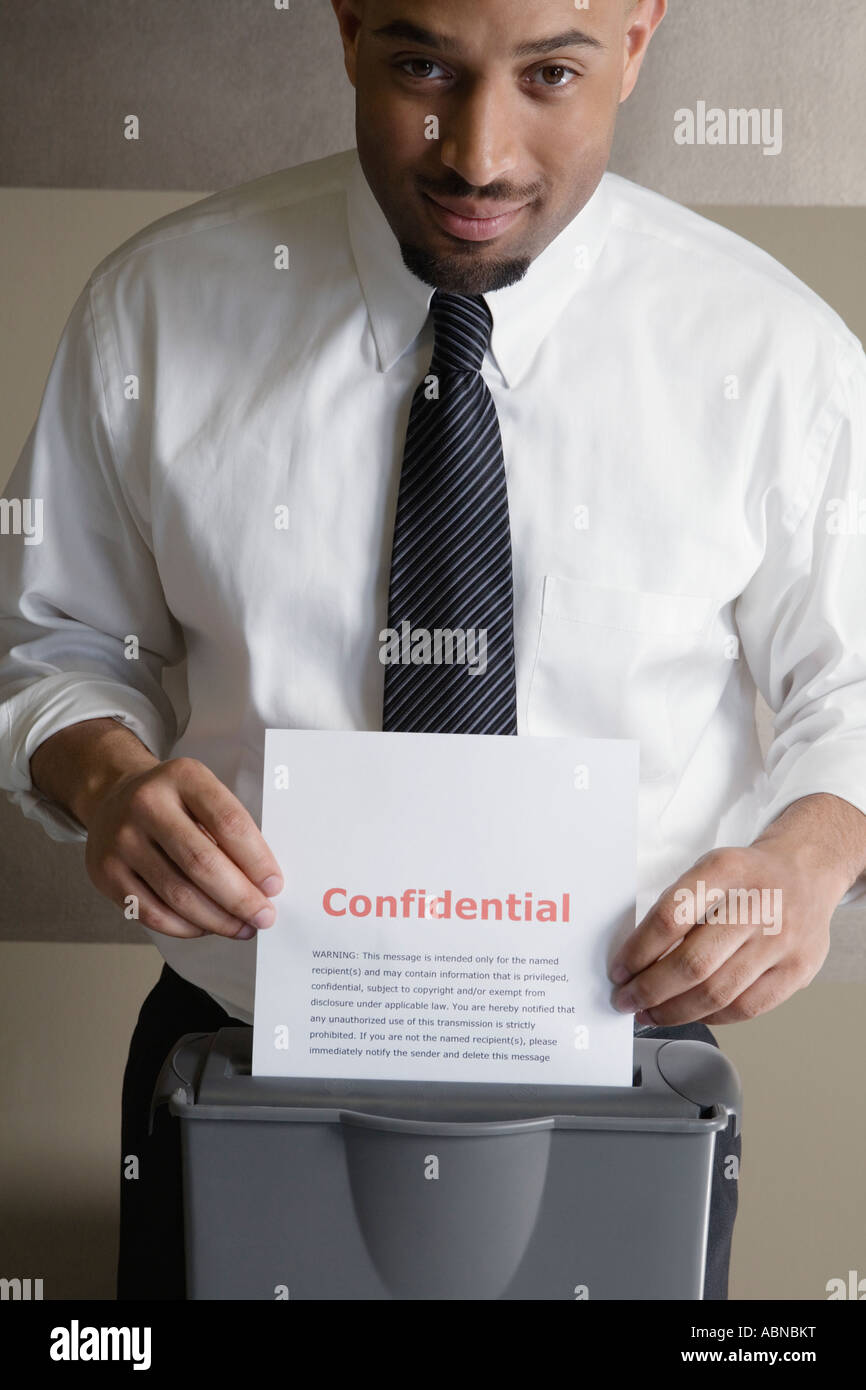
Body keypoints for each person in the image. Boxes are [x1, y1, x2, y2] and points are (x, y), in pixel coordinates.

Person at [1, 0, 865, 1301]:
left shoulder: (770, 350)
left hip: (627, 1078)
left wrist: (807, 859)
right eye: (421, 67)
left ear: (636, 40)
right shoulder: (157, 310)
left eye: (549, 75)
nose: (477, 152)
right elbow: (54, 641)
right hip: (236, 1067)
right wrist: (105, 778)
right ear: (344, 29)